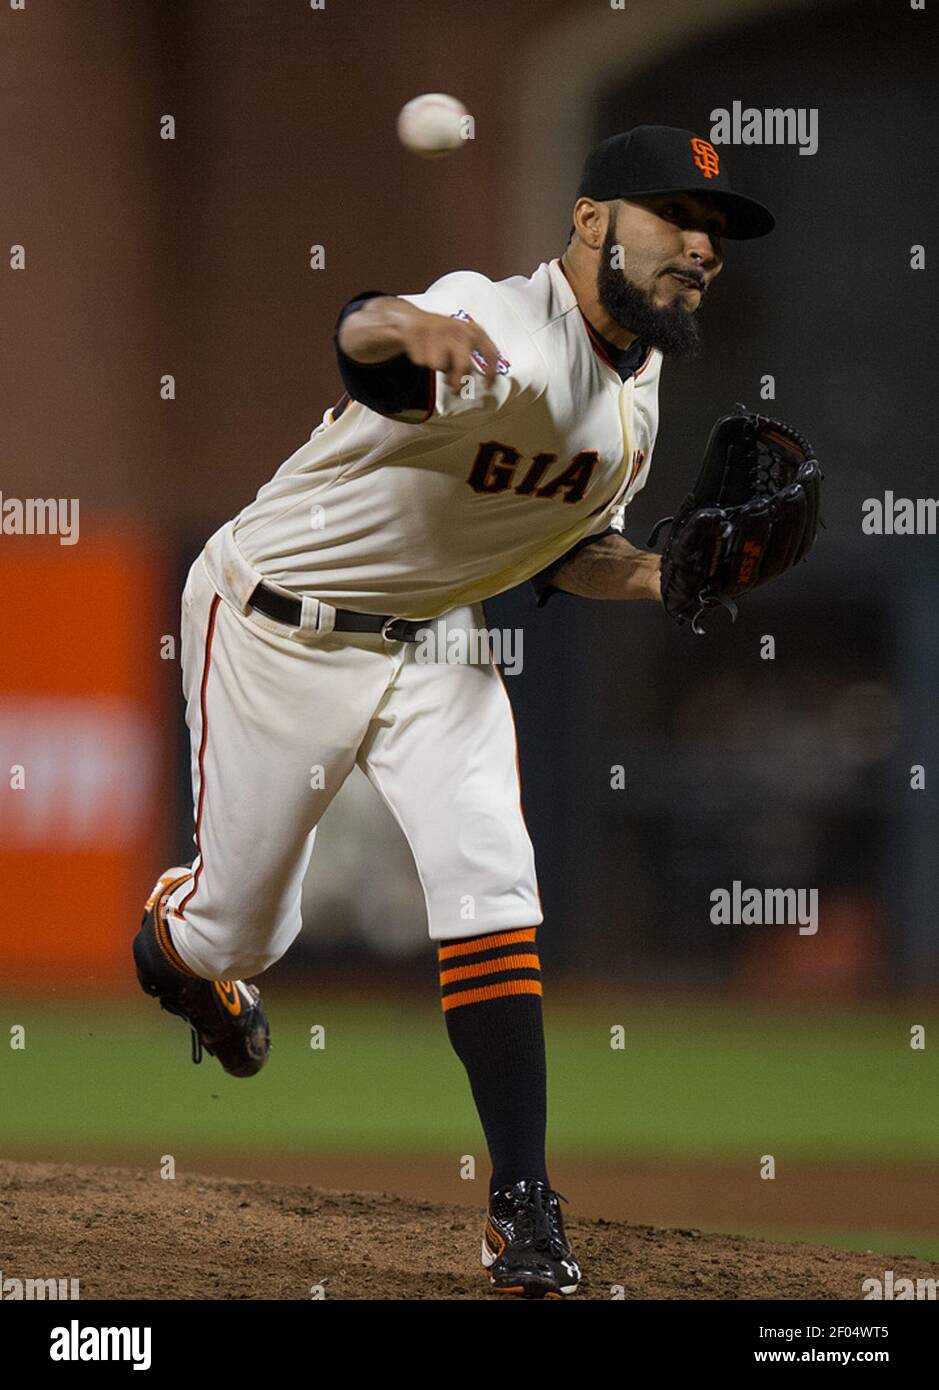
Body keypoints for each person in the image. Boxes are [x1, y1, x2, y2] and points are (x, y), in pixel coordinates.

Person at [133, 125, 774, 1299]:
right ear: (589, 221)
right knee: (239, 936)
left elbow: (570, 553)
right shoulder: (497, 320)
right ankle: (185, 947)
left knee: (491, 880)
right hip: (279, 623)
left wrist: (666, 570)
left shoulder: (640, 391)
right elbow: (365, 334)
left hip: (438, 643)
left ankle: (522, 1203)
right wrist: (402, 323)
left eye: (716, 229)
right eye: (673, 215)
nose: (700, 244)